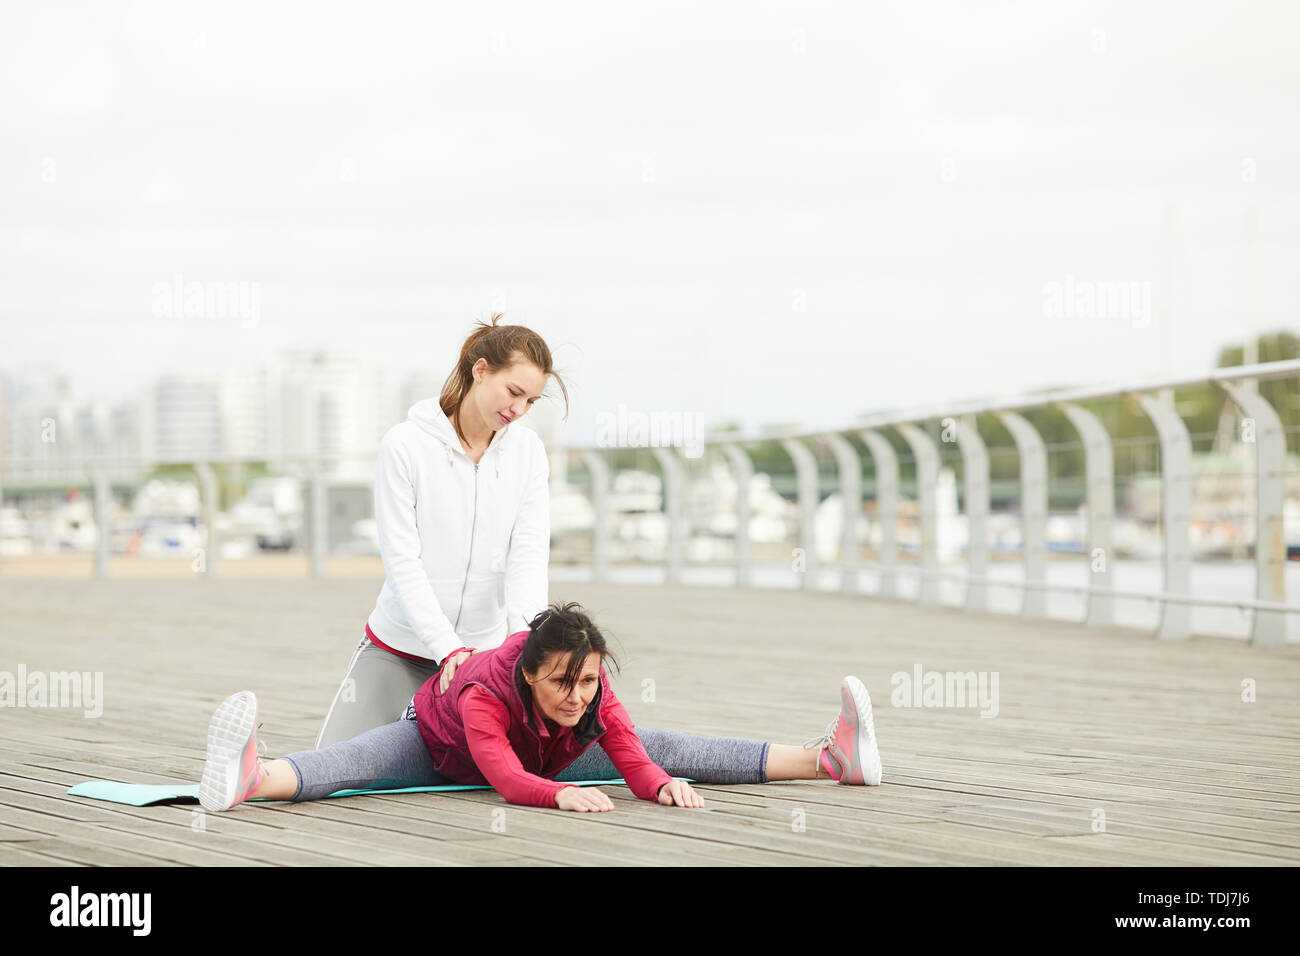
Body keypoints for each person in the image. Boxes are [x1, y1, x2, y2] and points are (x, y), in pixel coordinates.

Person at [314, 313, 863, 790]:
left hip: (486, 668)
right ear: (479, 370)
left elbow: (529, 554)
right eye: (513, 392)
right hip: (401, 648)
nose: (520, 409)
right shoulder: (406, 446)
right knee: (328, 768)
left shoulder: (527, 452)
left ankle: (824, 758)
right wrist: (446, 650)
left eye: (531, 400)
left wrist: (523, 643)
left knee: (647, 746)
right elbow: (402, 561)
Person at [199, 603, 882, 814]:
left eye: (587, 683)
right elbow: (503, 777)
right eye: (563, 684)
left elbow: (632, 755)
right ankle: (249, 778)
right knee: (350, 763)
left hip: (544, 752)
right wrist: (560, 794)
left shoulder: (588, 683)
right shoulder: (483, 692)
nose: (578, 696)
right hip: (437, 746)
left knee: (669, 745)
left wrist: (659, 785)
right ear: (528, 675)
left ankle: (829, 760)